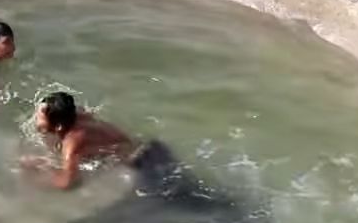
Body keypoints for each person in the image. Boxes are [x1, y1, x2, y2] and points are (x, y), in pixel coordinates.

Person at [20, 91, 246, 213]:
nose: (37, 119)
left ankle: (248, 222)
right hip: (152, 150)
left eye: (41, 116)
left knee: (194, 205)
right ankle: (239, 209)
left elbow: (69, 183)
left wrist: (41, 171)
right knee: (198, 194)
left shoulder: (72, 141)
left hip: (147, 167)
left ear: (59, 125)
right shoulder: (78, 114)